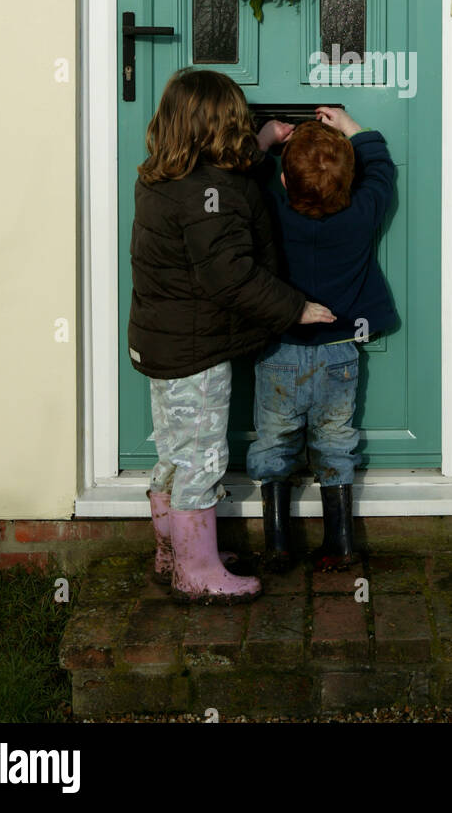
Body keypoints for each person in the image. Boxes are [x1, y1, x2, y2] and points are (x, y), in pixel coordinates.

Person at [127, 68, 335, 604]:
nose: (246, 130)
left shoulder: (166, 178)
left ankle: (172, 552)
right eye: (240, 124)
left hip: (165, 344)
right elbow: (231, 277)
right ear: (217, 130)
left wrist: (266, 143)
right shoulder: (206, 193)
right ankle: (197, 572)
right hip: (195, 353)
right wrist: (296, 308)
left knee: (174, 454)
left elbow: (228, 184)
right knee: (200, 459)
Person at [248, 106, 398, 571]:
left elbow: (242, 178)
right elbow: (383, 170)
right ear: (349, 183)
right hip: (339, 355)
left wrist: (265, 139)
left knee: (273, 442)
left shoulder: (269, 209)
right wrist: (352, 127)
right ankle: (341, 542)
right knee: (336, 441)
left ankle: (276, 542)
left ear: (286, 183)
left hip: (280, 351)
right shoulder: (361, 213)